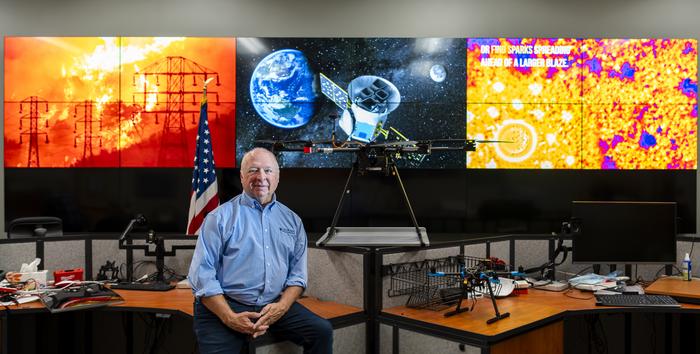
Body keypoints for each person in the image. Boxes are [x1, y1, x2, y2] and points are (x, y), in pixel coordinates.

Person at [188, 147, 333, 354]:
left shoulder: (292, 221)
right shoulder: (219, 218)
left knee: (321, 331)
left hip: (273, 305)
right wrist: (229, 317)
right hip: (226, 304)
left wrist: (281, 307)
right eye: (253, 170)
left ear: (278, 177)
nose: (261, 177)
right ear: (241, 176)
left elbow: (298, 277)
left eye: (268, 170)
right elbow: (202, 276)